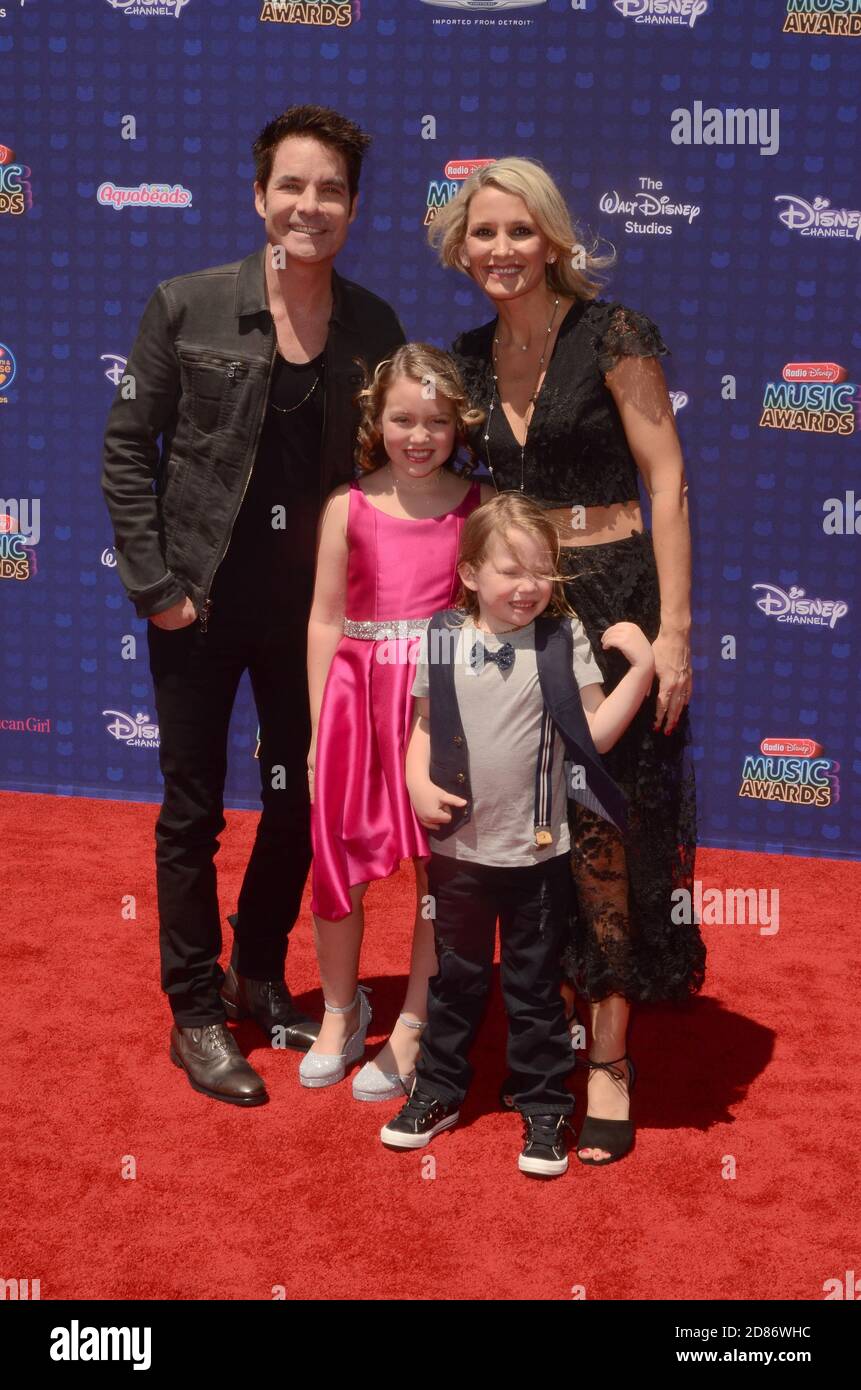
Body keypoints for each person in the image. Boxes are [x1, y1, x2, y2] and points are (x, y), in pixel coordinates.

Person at [100, 105, 406, 1107]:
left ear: (353, 208)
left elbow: (391, 469)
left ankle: (259, 971)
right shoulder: (187, 305)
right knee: (191, 814)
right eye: (292, 186)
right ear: (259, 194)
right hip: (199, 604)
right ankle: (194, 1009)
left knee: (299, 799)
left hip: (311, 621)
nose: (309, 205)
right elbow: (125, 451)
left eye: (330, 190)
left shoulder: (373, 328)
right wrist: (157, 588)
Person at [428, 156, 706, 1163]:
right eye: (483, 234)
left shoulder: (613, 334)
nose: (501, 251)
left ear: (552, 239)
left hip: (618, 598)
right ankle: (534, 1038)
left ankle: (610, 1061)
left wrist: (673, 633)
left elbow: (666, 479)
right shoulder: (461, 360)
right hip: (521, 612)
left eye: (519, 232)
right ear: (462, 246)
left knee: (607, 829)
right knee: (529, 823)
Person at [380, 495, 654, 1176]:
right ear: (469, 572)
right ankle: (438, 1090)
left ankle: (540, 1103)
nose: (527, 586)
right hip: (457, 853)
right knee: (457, 979)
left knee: (533, 986)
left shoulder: (561, 640)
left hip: (537, 854)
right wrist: (415, 782)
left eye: (541, 571)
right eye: (510, 570)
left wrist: (643, 672)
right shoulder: (440, 636)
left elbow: (592, 737)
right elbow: (419, 725)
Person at [304, 344, 493, 1098]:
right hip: (353, 701)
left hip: (438, 704)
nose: (419, 436)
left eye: (436, 422)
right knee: (333, 860)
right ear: (375, 420)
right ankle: (339, 1012)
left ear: (458, 426)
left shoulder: (477, 508)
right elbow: (323, 620)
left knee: (436, 868)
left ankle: (415, 1017)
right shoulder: (344, 506)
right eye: (403, 419)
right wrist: (318, 728)